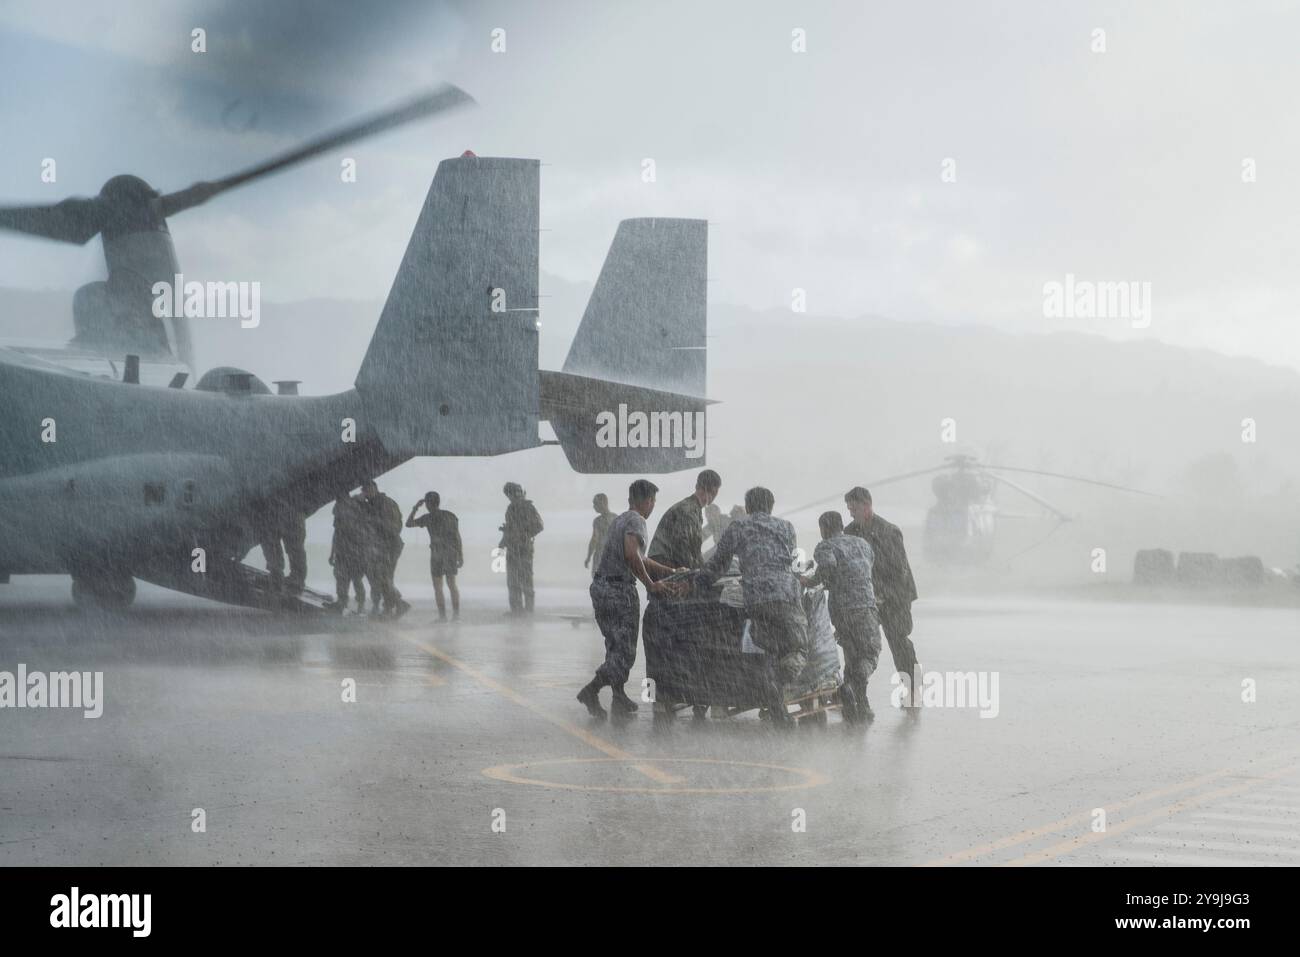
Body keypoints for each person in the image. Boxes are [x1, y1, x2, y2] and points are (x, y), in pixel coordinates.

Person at [699, 487, 807, 726]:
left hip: (758, 600)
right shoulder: (787, 527)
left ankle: (777, 706)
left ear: (748, 508)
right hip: (787, 596)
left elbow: (718, 561)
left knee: (767, 652)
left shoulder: (738, 527)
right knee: (797, 649)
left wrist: (699, 581)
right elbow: (789, 560)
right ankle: (777, 695)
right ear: (771, 506)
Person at [577, 479, 683, 719]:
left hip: (602, 586)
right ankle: (591, 691)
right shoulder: (637, 520)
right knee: (625, 651)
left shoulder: (620, 519)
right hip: (619, 591)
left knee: (614, 645)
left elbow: (639, 557)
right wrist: (651, 584)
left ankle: (619, 694)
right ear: (647, 501)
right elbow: (632, 555)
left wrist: (669, 571)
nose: (653, 505)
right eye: (653, 501)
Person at [801, 511, 880, 723]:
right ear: (841, 525)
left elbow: (827, 568)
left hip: (842, 608)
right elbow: (867, 568)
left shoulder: (826, 546)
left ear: (824, 529)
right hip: (865, 606)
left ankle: (857, 703)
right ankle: (852, 690)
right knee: (870, 654)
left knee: (852, 653)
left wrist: (811, 581)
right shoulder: (862, 543)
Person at [844, 486, 920, 706]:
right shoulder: (850, 533)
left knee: (900, 644)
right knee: (858, 646)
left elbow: (900, 571)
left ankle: (912, 690)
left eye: (854, 508)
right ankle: (856, 694)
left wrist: (883, 594)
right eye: (849, 509)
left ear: (867, 506)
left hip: (895, 598)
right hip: (866, 600)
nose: (851, 513)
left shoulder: (889, 531)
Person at [648, 469, 722, 570]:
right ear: (714, 491)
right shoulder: (688, 511)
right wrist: (699, 574)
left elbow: (693, 550)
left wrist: (702, 571)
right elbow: (684, 548)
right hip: (665, 567)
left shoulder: (693, 508)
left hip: (664, 565)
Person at [407, 491, 463, 621]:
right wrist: (461, 555)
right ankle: (456, 615)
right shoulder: (451, 516)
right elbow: (457, 537)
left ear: (427, 504)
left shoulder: (428, 517)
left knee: (438, 587)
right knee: (452, 585)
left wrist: (415, 508)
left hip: (437, 554)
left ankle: (442, 616)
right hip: (451, 553)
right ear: (438, 501)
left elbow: (408, 524)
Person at [360, 480, 410, 618]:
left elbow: (395, 528)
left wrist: (375, 521)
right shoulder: (372, 504)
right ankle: (394, 606)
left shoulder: (386, 503)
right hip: (380, 546)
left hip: (390, 546)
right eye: (364, 491)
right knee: (381, 577)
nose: (366, 493)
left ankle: (394, 606)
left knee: (384, 577)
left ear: (375, 489)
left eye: (368, 490)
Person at [498, 482, 543, 614]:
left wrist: (522, 534)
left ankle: (527, 610)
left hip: (523, 549)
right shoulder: (511, 508)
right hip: (514, 549)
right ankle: (517, 610)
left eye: (511, 494)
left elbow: (539, 526)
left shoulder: (528, 507)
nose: (511, 496)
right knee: (514, 580)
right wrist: (504, 539)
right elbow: (511, 528)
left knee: (524, 580)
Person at [328, 492, 368, 613]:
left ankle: (356, 604)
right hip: (346, 552)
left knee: (353, 579)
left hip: (354, 552)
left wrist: (333, 552)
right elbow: (336, 533)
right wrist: (332, 553)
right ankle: (345, 603)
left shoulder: (356, 509)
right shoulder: (342, 510)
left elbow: (337, 534)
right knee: (345, 578)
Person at [584, 493, 615, 578]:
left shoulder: (598, 521)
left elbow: (594, 540)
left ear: (603, 502)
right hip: (614, 558)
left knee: (598, 584)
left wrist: (588, 558)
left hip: (601, 557)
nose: (594, 506)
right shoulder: (617, 518)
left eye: (595, 503)